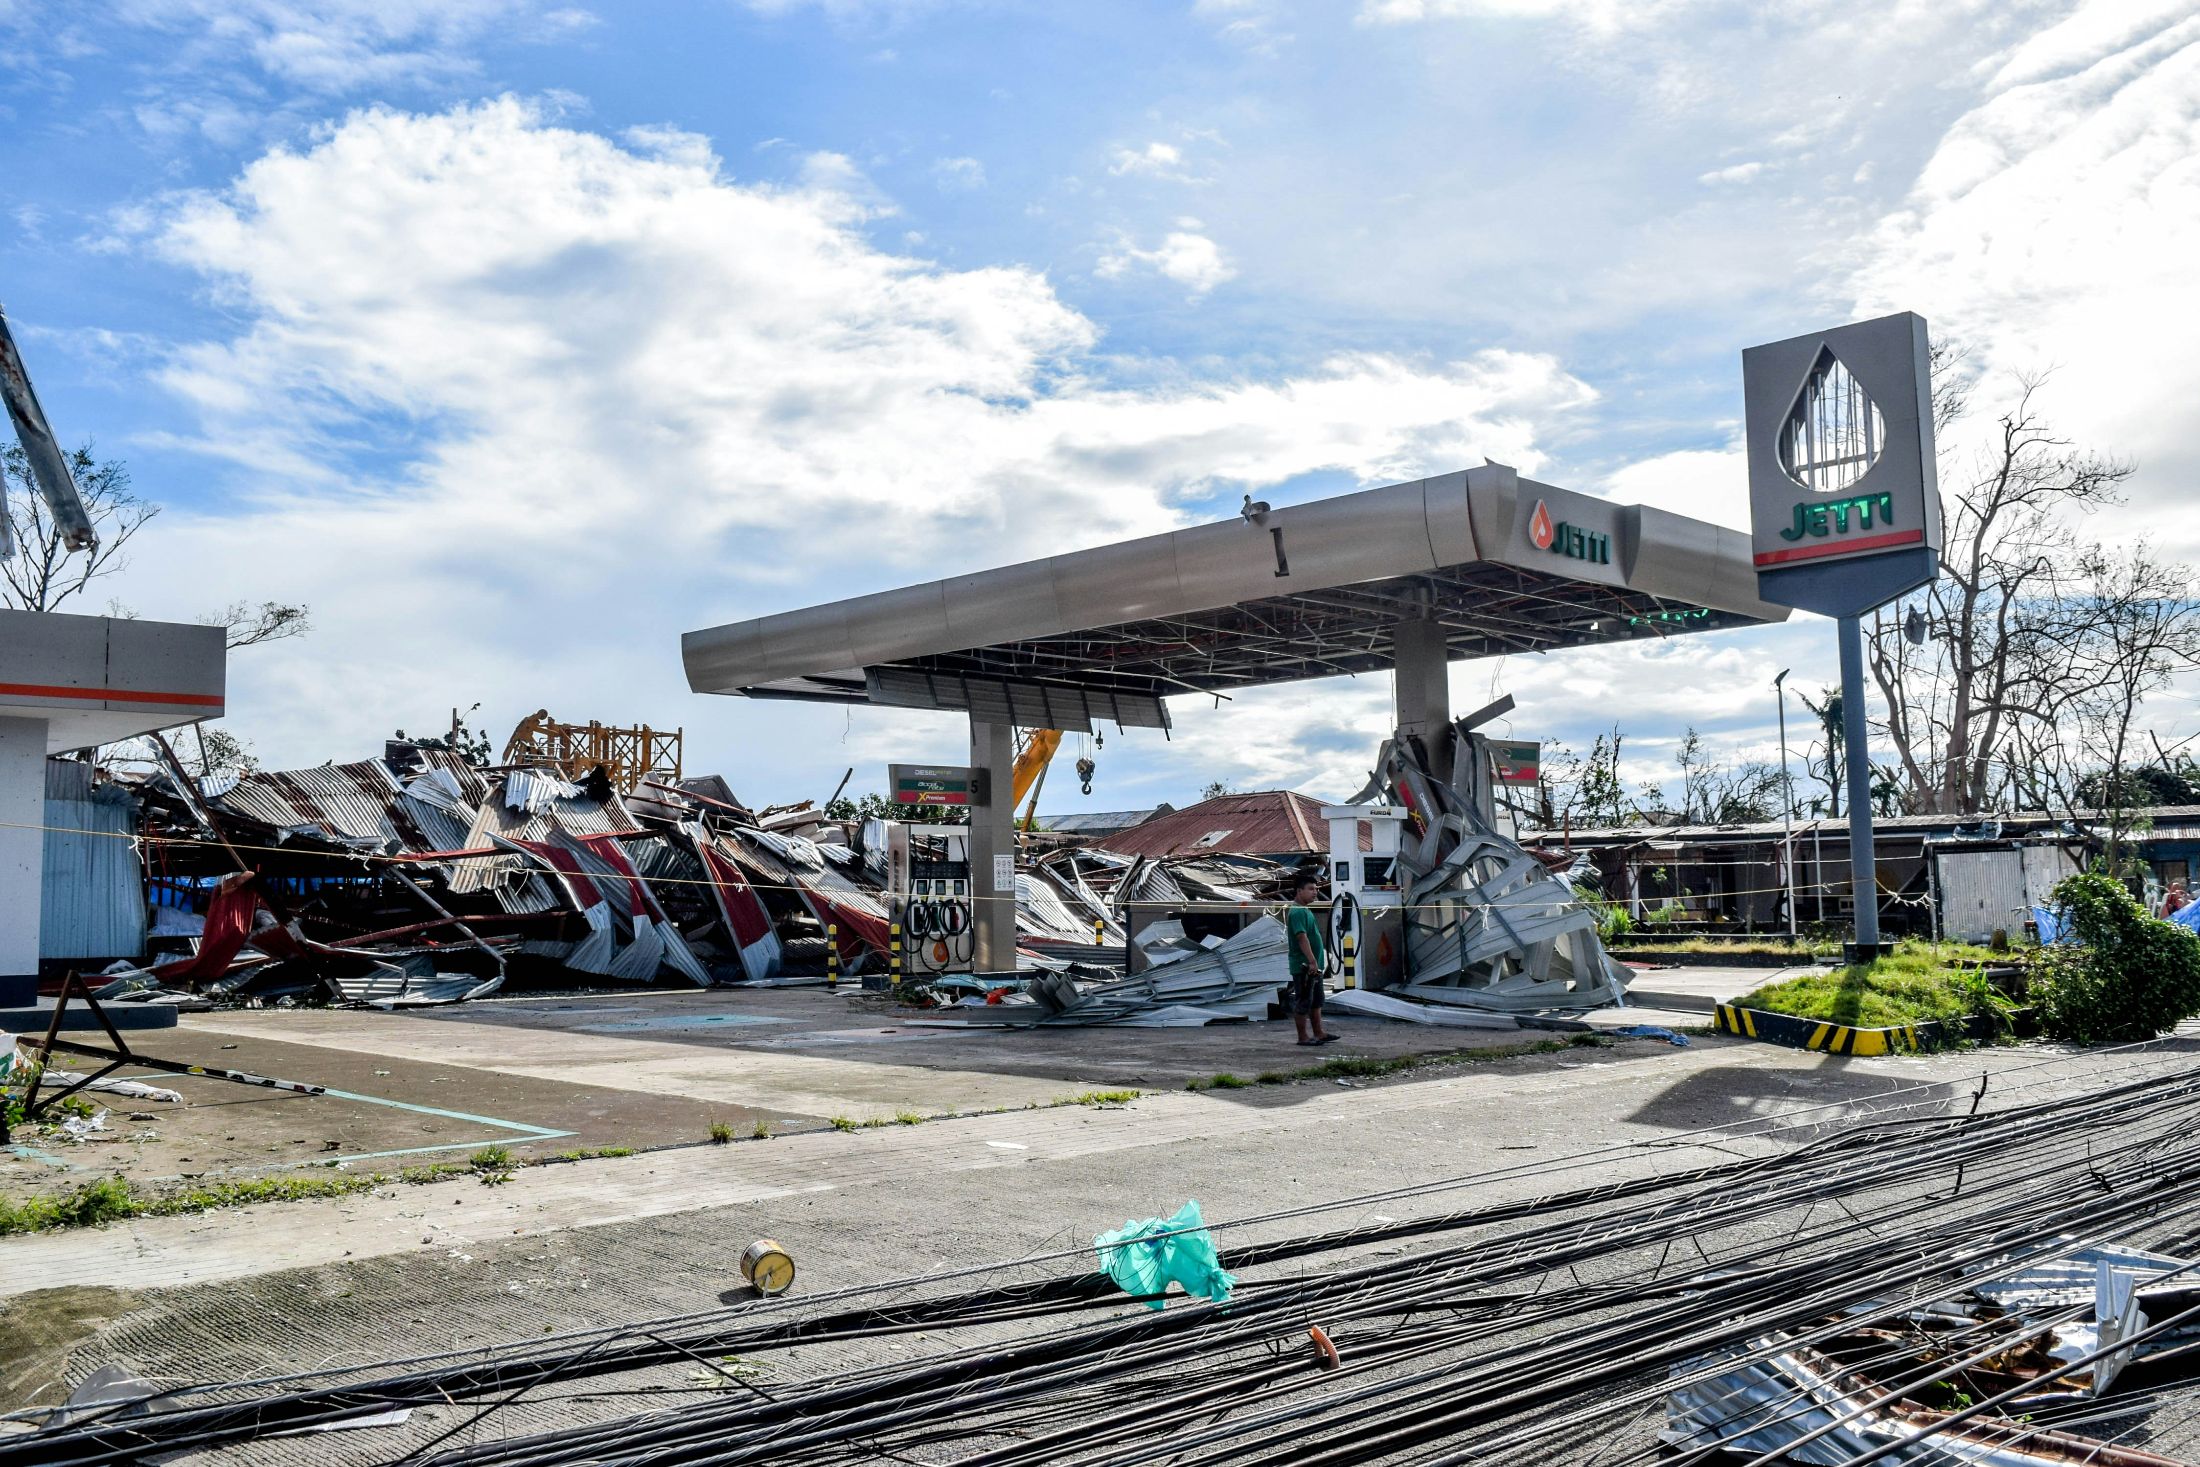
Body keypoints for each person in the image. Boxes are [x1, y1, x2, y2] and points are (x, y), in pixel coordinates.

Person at [1286, 873, 1337, 1047]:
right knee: (1303, 1001)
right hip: (1304, 966)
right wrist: (1312, 962)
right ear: (1299, 891)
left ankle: (1319, 1033)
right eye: (1311, 889)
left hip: (1314, 966)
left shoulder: (1305, 910)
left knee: (1316, 1001)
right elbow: (1302, 938)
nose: (1315, 892)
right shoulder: (1297, 911)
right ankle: (1303, 1037)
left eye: (1316, 889)